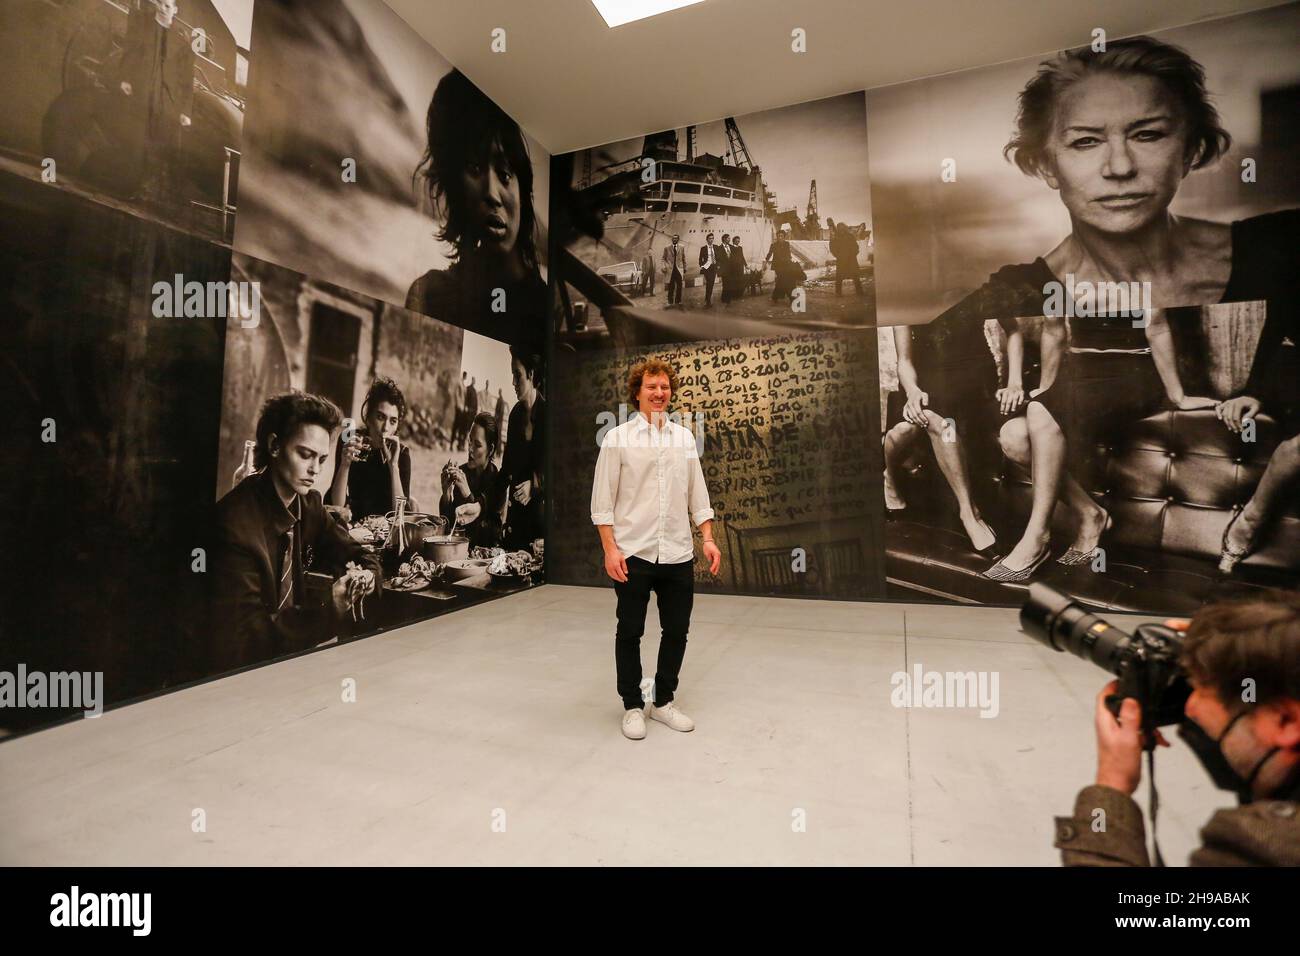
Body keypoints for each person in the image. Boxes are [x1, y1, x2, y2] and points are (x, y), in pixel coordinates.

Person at [969, 35, 1299, 581]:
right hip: (1080, 375)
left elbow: (1159, 328)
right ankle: (1089, 516)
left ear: (1191, 150)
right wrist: (1047, 387)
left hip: (1134, 372)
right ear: (1047, 165)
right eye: (1085, 142)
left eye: (1147, 135)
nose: (1119, 166)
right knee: (1014, 434)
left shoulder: (1277, 246)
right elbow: (1052, 332)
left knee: (1037, 417)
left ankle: (1033, 540)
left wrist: (1176, 395)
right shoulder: (1022, 283)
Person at [1055, 593, 1300, 865]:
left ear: (1285, 721)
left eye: (1202, 689)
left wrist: (1111, 787)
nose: (1190, 707)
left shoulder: (1263, 846)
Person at [591, 358, 722, 740]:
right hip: (633, 552)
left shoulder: (684, 439)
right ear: (637, 392)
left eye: (664, 387)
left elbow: (698, 494)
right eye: (652, 387)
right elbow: (602, 502)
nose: (659, 393)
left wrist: (708, 537)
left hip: (678, 553)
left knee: (677, 631)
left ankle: (663, 701)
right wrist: (610, 549)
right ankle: (632, 705)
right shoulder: (617, 439)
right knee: (630, 631)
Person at [213, 391, 381, 671]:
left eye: (323, 459)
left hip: (289, 664)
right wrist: (329, 606)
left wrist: (368, 576)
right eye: (305, 455)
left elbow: (357, 552)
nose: (315, 469)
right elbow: (249, 640)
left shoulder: (308, 504)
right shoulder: (233, 525)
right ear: (275, 446)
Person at [406, 69, 545, 351]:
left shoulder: (547, 308)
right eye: (474, 169)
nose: (492, 194)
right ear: (454, 186)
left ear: (522, 189)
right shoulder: (429, 296)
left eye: (505, 174)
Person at [328, 377, 413, 519]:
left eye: (393, 421)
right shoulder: (350, 441)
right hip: (353, 524)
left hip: (386, 529)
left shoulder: (401, 453)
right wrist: (345, 464)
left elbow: (401, 516)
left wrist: (393, 466)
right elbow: (337, 505)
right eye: (380, 417)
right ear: (368, 418)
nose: (386, 428)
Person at [500, 346, 546, 550]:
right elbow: (506, 471)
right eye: (512, 375)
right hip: (515, 522)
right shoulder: (515, 415)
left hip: (541, 527)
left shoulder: (549, 414)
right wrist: (479, 505)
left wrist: (534, 486)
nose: (513, 382)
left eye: (517, 375)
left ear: (531, 374)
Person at [440, 411, 504, 548]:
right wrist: (446, 494)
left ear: (491, 449)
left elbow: (491, 536)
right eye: (470, 441)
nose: (469, 449)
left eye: (477, 445)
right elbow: (449, 527)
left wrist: (467, 494)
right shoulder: (463, 473)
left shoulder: (497, 482)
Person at [766, 226, 797, 303]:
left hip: (786, 265)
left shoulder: (787, 244)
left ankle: (775, 297)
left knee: (782, 281)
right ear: (777, 237)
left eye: (781, 236)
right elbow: (769, 254)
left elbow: (788, 254)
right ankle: (791, 298)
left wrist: (790, 262)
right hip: (778, 266)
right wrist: (766, 260)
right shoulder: (773, 245)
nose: (780, 237)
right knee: (783, 280)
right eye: (778, 236)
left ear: (784, 237)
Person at [832, 223, 863, 296]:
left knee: (855, 276)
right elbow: (833, 248)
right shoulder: (836, 238)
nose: (841, 229)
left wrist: (853, 254)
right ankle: (838, 293)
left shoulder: (850, 236)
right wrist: (838, 256)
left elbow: (856, 247)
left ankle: (859, 292)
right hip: (841, 260)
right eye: (839, 228)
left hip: (851, 259)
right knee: (839, 277)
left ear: (844, 228)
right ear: (838, 229)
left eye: (842, 227)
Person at [662, 233, 686, 308]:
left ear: (678, 240)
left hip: (679, 269)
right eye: (673, 238)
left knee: (679, 286)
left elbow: (683, 258)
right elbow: (663, 258)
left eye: (676, 238)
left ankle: (678, 301)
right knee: (671, 286)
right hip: (670, 270)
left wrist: (685, 267)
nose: (674, 239)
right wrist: (664, 266)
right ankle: (670, 301)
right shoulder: (667, 248)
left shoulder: (682, 247)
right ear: (672, 239)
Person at [698, 232, 719, 307]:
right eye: (710, 238)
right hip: (707, 268)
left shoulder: (716, 247)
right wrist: (702, 266)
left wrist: (718, 265)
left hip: (714, 267)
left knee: (711, 284)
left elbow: (718, 257)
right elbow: (700, 259)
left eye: (712, 238)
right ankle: (708, 300)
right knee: (709, 283)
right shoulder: (703, 248)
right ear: (707, 239)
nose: (711, 240)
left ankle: (708, 299)